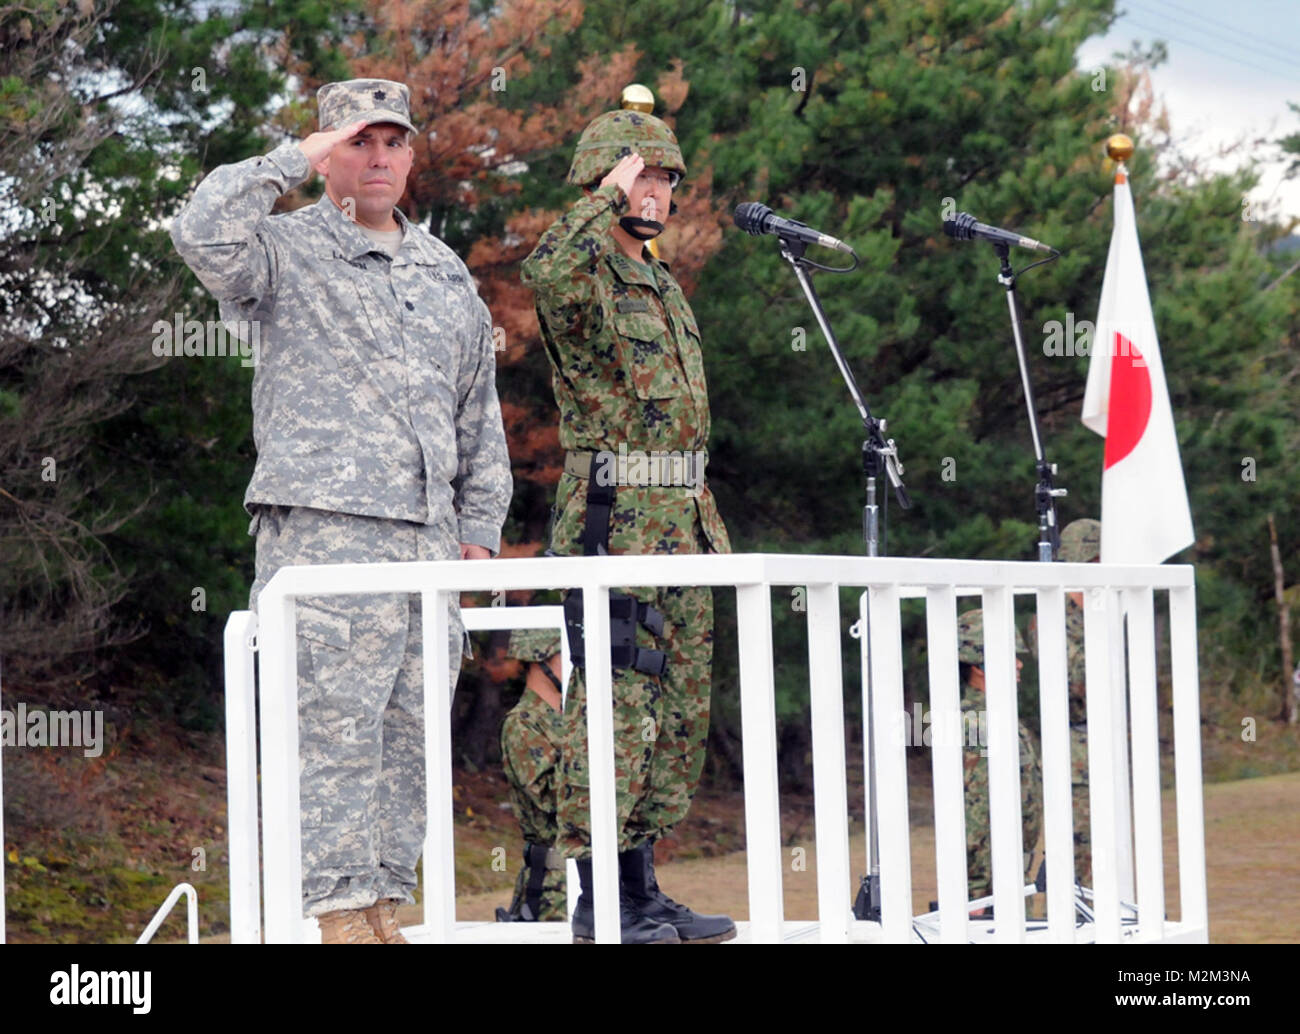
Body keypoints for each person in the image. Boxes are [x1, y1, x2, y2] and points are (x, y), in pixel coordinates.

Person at [170, 78, 511, 943]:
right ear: (327, 151)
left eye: (394, 141)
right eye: (360, 140)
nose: (380, 157)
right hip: (325, 538)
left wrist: (479, 532)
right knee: (330, 737)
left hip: (428, 545)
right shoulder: (281, 251)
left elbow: (477, 410)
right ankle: (337, 921)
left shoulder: (442, 271)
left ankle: (381, 912)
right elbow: (199, 230)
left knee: (408, 739)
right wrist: (290, 160)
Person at [519, 92, 734, 944]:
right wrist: (601, 198)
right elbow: (544, 270)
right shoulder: (582, 277)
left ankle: (641, 890)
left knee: (676, 712)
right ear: (603, 179)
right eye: (641, 173)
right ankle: (596, 899)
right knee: (613, 707)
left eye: (666, 177)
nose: (657, 190)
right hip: (617, 517)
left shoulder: (661, 283)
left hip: (682, 512)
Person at [956, 609, 1044, 908]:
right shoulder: (975, 724)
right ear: (978, 666)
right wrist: (976, 895)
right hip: (992, 889)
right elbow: (974, 812)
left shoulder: (998, 716)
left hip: (1012, 878)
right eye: (1010, 656)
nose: (1019, 664)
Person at [496, 628, 568, 923]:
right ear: (540, 660)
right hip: (553, 890)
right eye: (567, 655)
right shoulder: (522, 725)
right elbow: (554, 801)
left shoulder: (575, 718)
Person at [1058, 517, 1100, 888]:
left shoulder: (1098, 614)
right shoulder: (1054, 617)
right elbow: (1079, 681)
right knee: (1077, 850)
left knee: (1103, 848)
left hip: (1099, 746)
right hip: (1072, 755)